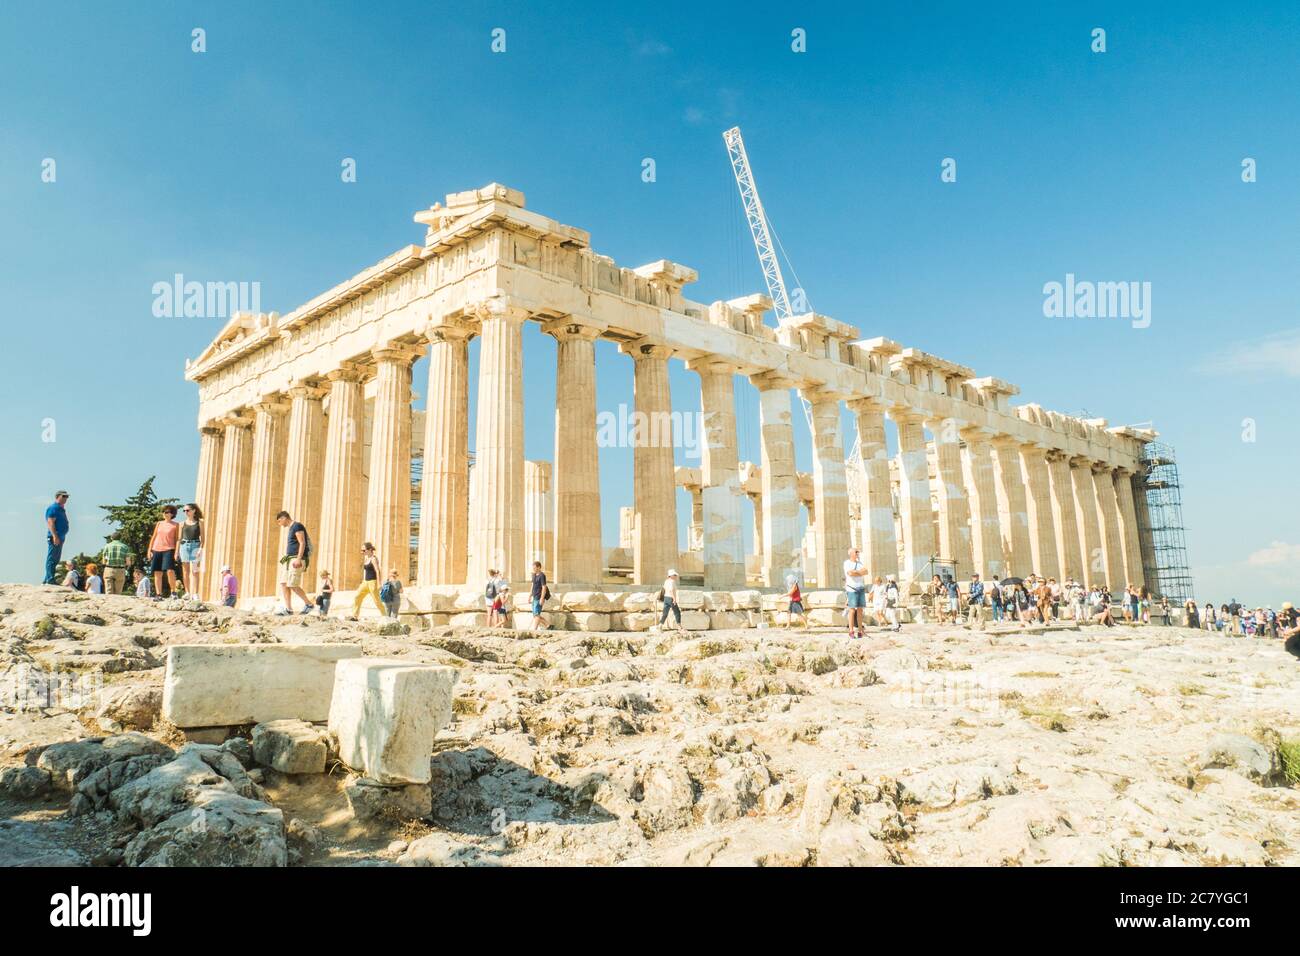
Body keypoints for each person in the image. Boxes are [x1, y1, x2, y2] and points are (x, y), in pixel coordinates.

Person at [275, 511, 312, 615]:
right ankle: (289, 609)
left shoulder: (297, 526)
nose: (279, 524)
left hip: (296, 559)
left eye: (279, 521)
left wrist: (299, 559)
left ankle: (309, 604)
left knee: (292, 584)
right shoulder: (291, 528)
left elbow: (302, 542)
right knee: (284, 583)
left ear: (284, 518)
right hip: (289, 559)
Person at [146, 504, 181, 599]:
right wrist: (149, 550)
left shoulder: (176, 525)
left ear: (172, 514)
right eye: (164, 512)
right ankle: (158, 594)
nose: (164, 514)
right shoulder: (159, 523)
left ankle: (173, 592)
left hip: (169, 549)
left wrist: (176, 552)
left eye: (166, 512)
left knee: (170, 570)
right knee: (157, 572)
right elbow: (154, 537)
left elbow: (177, 539)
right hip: (156, 549)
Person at [348, 543, 385, 620]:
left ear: (370, 550)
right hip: (365, 582)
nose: (362, 552)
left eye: (364, 550)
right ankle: (355, 616)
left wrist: (379, 583)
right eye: (361, 550)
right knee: (357, 597)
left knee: (377, 601)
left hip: (373, 582)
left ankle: (385, 616)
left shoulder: (374, 559)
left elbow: (377, 571)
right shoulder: (366, 559)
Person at [178, 504, 205, 603]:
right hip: (184, 546)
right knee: (185, 571)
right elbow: (179, 539)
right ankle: (187, 592)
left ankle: (195, 594)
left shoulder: (200, 522)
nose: (186, 512)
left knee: (195, 571)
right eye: (184, 510)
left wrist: (200, 549)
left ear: (194, 510)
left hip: (196, 545)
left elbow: (203, 538)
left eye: (188, 510)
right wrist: (177, 551)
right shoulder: (182, 523)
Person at [44, 490, 71, 585]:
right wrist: (55, 536)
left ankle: (47, 578)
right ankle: (50, 579)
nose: (66, 498)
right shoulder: (54, 508)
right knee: (52, 559)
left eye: (67, 496)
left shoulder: (61, 508)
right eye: (63, 496)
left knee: (56, 559)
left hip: (60, 537)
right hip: (55, 537)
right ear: (57, 496)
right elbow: (50, 522)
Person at [843, 548, 868, 638]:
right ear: (851, 554)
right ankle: (851, 630)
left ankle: (860, 630)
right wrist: (860, 572)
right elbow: (850, 573)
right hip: (852, 588)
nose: (858, 553)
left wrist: (856, 572)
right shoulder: (847, 563)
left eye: (858, 552)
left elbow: (866, 572)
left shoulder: (860, 563)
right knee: (852, 610)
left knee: (860, 610)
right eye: (856, 552)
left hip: (861, 588)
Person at [530, 561, 550, 630]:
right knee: (535, 615)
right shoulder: (533, 575)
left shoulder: (542, 575)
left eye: (534, 568)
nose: (533, 569)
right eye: (533, 568)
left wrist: (542, 598)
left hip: (539, 597)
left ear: (539, 567)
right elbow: (532, 585)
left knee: (536, 614)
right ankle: (548, 625)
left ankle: (534, 629)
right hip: (534, 597)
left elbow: (544, 587)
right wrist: (529, 596)